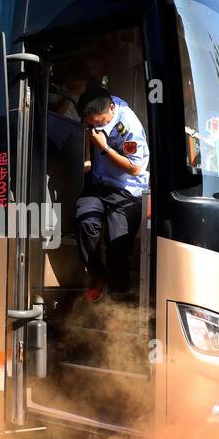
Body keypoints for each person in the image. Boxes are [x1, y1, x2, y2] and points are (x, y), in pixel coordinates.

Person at [75, 87, 150, 303]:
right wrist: (89, 159)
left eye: (100, 123)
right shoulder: (98, 105)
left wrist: (105, 148)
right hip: (100, 184)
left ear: (112, 108)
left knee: (117, 246)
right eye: (91, 124)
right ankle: (97, 275)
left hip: (128, 190)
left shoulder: (128, 126)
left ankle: (120, 304)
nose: (95, 127)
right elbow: (88, 134)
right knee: (84, 221)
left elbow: (135, 168)